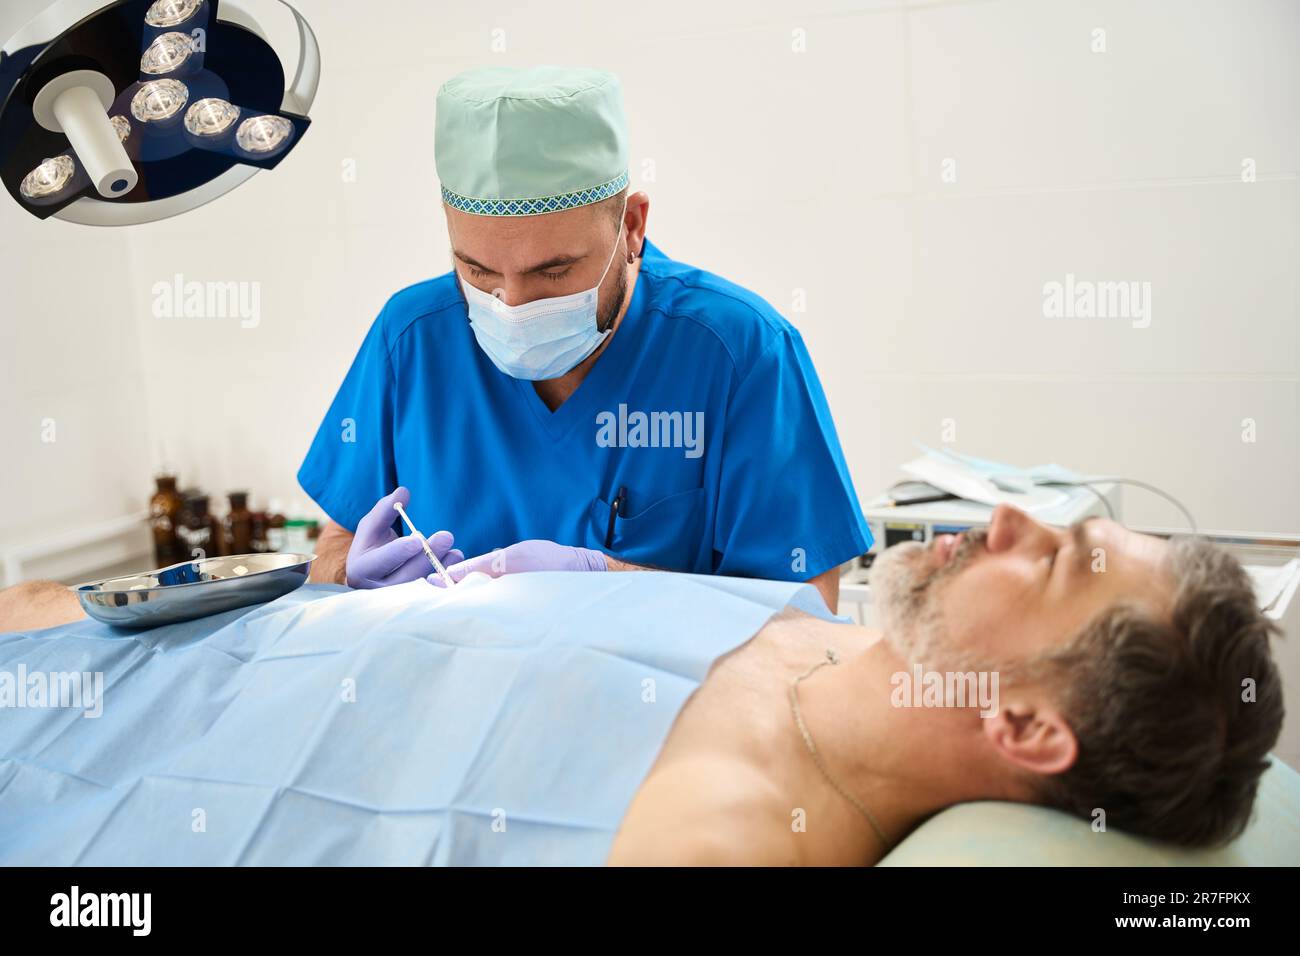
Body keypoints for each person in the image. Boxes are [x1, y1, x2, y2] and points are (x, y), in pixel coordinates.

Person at [299, 66, 871, 610]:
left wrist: (607, 584)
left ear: (632, 226)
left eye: (553, 272)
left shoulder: (740, 352)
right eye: (478, 270)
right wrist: (348, 572)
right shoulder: (412, 338)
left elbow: (806, 613)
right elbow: (336, 544)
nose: (514, 305)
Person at [609, 505, 1284, 863]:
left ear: (1026, 726)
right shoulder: (848, 648)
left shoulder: (721, 835)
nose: (1011, 518)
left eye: (1051, 562)